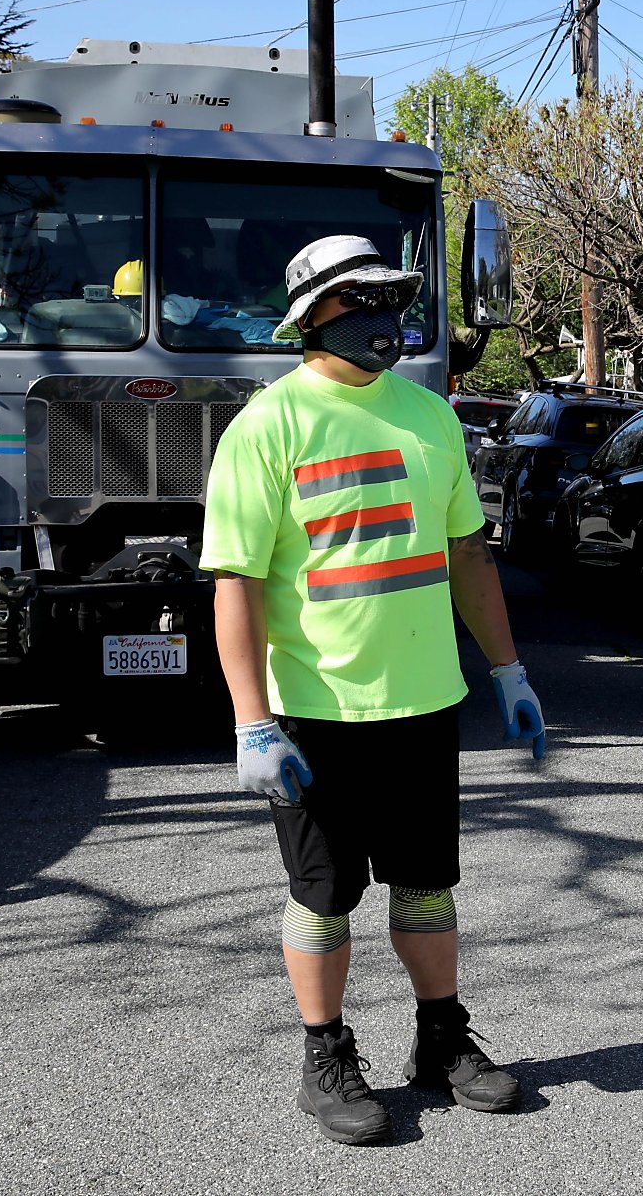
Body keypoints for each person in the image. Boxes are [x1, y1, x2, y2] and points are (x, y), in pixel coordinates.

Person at [202, 234, 548, 1147]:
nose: (383, 321)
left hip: (426, 703)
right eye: (361, 302)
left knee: (427, 884)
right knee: (325, 893)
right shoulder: (267, 426)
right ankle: (325, 1056)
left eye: (394, 300)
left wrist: (507, 669)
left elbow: (466, 553)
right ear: (311, 316)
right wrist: (250, 721)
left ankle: (440, 1039)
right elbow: (232, 582)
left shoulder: (429, 415)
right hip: (315, 716)